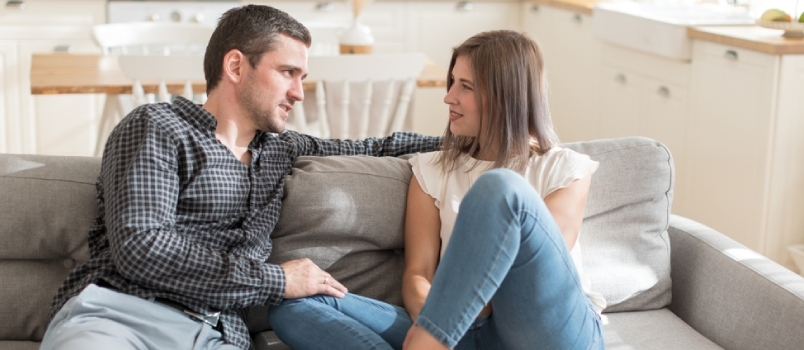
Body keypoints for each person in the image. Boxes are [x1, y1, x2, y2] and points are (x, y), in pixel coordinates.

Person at [39, 5, 441, 350]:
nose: (300, 93)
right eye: (288, 72)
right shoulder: (158, 127)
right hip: (122, 316)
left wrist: (475, 137)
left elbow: (378, 147)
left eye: (302, 77)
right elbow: (142, 246)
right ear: (235, 66)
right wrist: (276, 280)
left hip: (216, 334)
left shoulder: (281, 148)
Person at [268, 30, 606, 350]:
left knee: (499, 188)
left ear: (506, 96)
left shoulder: (566, 168)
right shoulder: (432, 170)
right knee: (293, 307)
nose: (449, 97)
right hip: (461, 332)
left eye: (466, 87)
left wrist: (446, 321)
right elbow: (418, 275)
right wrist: (441, 318)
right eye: (452, 82)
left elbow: (541, 278)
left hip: (543, 331)